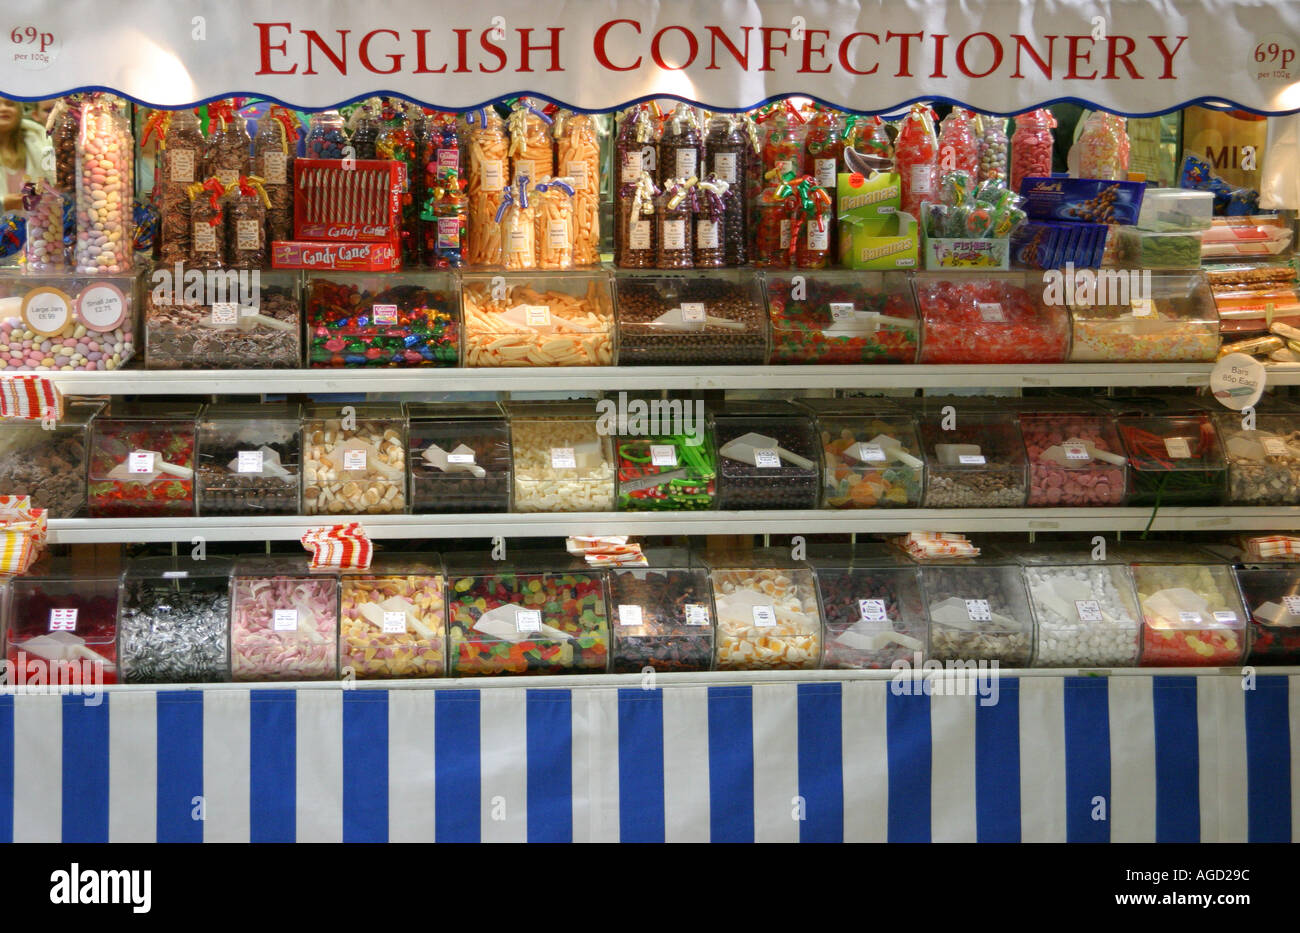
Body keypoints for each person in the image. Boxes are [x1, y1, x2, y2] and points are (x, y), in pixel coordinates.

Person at [0, 98, 52, 211]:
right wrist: (2, 205)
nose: (3, 108)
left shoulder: (42, 142)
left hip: (38, 224)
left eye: (10, 104)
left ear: (19, 111)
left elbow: (54, 186)